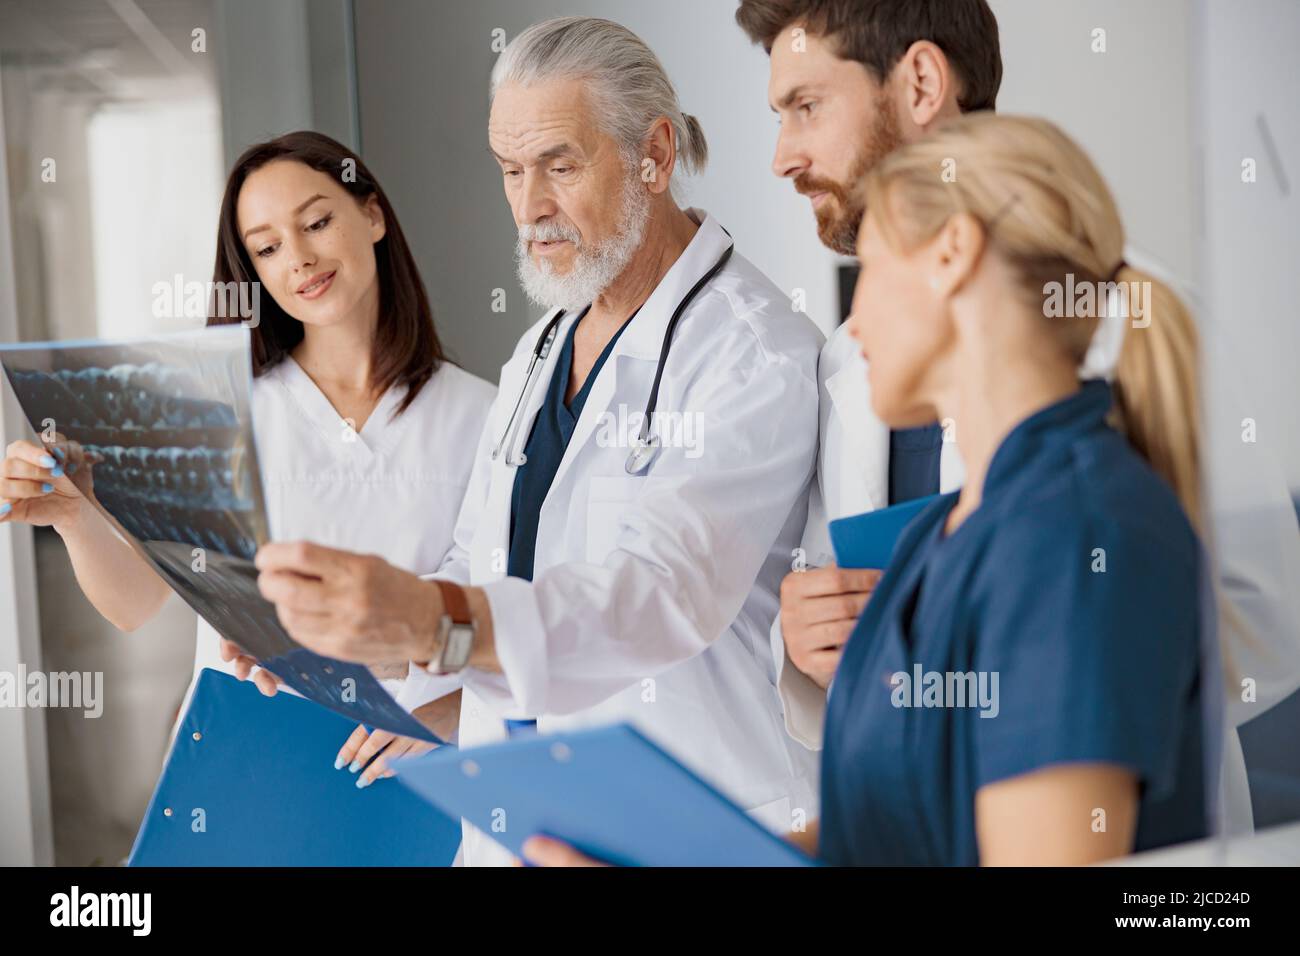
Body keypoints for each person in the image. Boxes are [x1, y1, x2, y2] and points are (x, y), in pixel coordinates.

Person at [523, 112, 1211, 866]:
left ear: (952, 255)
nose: (854, 318)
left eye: (872, 265)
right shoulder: (939, 539)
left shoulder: (1076, 534)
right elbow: (876, 839)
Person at [242, 17, 825, 866]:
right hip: (526, 823)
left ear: (654, 156)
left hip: (689, 832)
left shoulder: (752, 352)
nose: (528, 207)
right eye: (511, 172)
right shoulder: (541, 351)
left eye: (559, 165)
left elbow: (657, 595)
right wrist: (338, 637)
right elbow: (483, 568)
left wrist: (431, 621)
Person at [738, 0, 1300, 835]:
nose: (783, 155)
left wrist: (1006, 655)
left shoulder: (1117, 350)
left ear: (921, 81)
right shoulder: (853, 362)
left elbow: (1271, 621)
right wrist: (825, 648)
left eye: (806, 106)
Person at [0, 131, 493, 788]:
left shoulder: (485, 415)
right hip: (247, 763)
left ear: (371, 215)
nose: (300, 259)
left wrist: (456, 710)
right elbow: (137, 602)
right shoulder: (223, 412)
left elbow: (513, 620)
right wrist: (74, 517)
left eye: (317, 222)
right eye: (267, 247)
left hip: (415, 774)